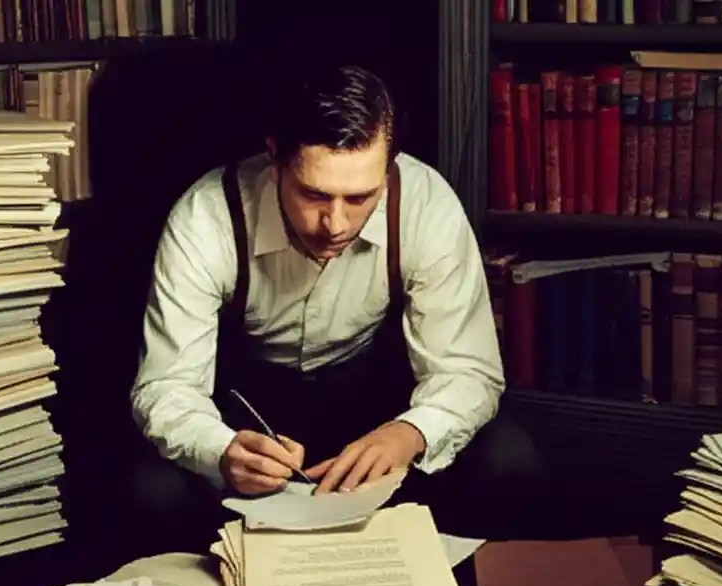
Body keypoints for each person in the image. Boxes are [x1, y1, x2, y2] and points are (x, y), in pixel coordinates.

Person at [123, 65, 541, 552]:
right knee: (149, 493)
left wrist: (408, 433)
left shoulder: (424, 202)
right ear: (274, 156)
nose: (335, 224)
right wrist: (221, 451)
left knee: (510, 461)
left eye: (361, 197)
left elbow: (470, 370)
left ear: (390, 169)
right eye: (313, 194)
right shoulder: (205, 217)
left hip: (373, 402)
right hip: (249, 410)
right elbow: (165, 386)